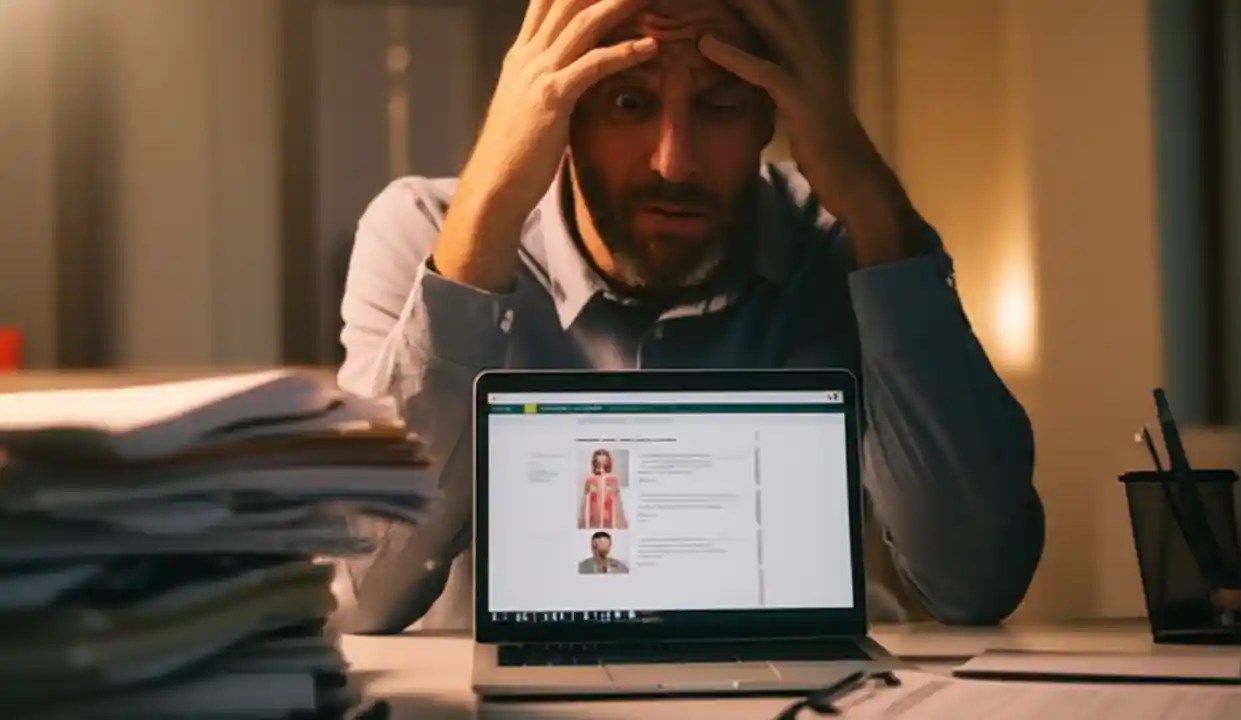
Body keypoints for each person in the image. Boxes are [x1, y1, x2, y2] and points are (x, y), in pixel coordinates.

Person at [332, 0, 1044, 635]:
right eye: (629, 103)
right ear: (560, 107)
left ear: (775, 112)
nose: (674, 163)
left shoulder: (845, 244)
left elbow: (976, 579)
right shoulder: (427, 231)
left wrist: (868, 193)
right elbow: (365, 592)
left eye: (722, 104)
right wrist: (486, 215)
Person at [579, 449, 628, 529]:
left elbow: (618, 503)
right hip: (593, 521)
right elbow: (585, 504)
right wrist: (583, 523)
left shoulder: (613, 480)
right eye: (598, 464)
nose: (601, 468)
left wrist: (621, 524)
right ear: (595, 463)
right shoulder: (590, 480)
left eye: (603, 464)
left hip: (609, 520)